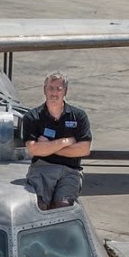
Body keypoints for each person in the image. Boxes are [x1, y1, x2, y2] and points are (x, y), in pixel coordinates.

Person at [22, 72, 92, 209]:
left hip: (70, 171)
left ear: (65, 91)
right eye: (51, 88)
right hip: (42, 168)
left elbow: (84, 149)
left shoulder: (78, 116)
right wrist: (66, 142)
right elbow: (33, 149)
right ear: (44, 90)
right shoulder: (32, 117)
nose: (54, 93)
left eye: (59, 89)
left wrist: (48, 147)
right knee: (39, 206)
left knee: (63, 204)